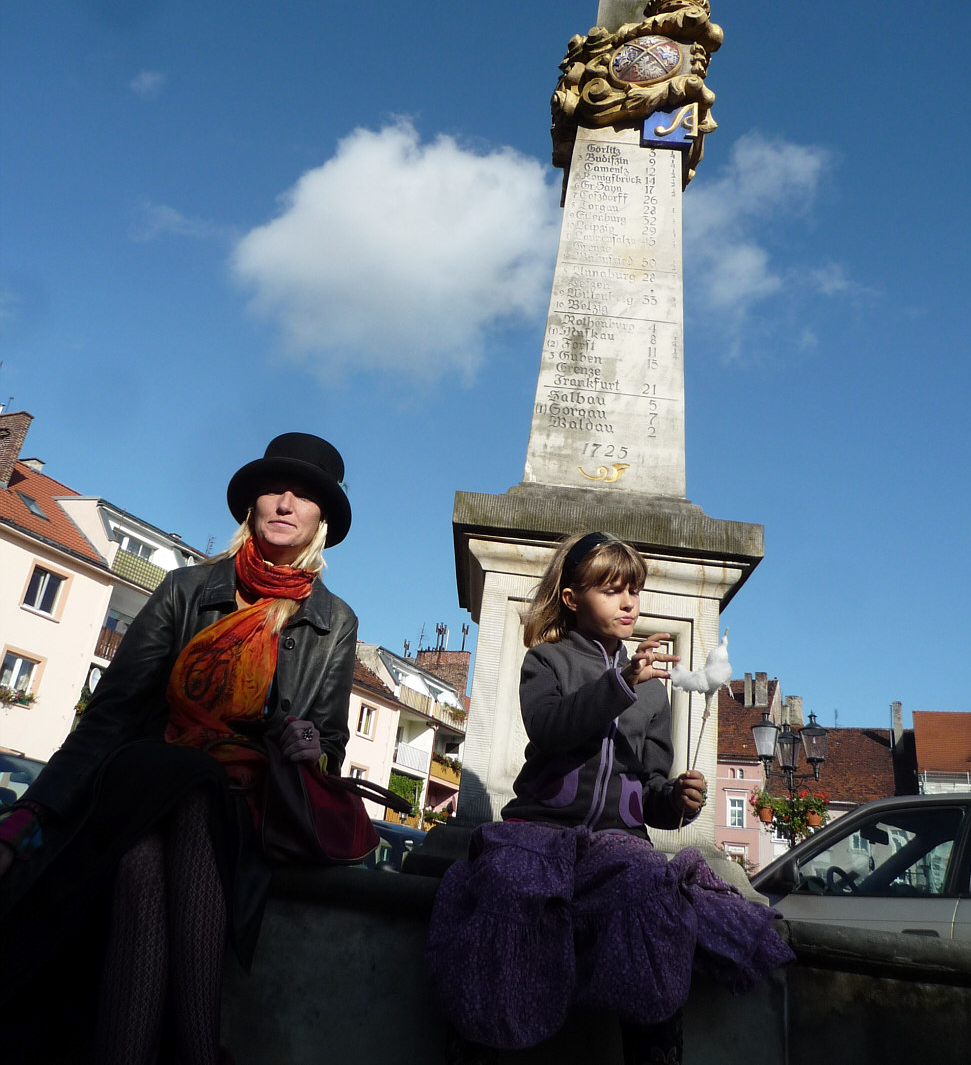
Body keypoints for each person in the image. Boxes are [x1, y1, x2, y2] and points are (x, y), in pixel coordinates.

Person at [0, 432, 358, 1065]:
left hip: (243, 801)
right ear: (250, 506)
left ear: (318, 522)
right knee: (176, 774)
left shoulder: (334, 621)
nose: (284, 502)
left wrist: (311, 744)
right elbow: (111, 715)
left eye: (303, 497)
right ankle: (198, 1050)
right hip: (141, 780)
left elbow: (329, 742)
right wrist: (35, 812)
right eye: (274, 489)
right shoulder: (185, 589)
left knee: (148, 856)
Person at [427, 532, 793, 1065]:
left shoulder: (653, 688)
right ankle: (483, 1044)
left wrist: (678, 802)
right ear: (573, 599)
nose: (628, 603)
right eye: (611, 590)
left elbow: (647, 787)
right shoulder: (546, 661)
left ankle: (654, 1053)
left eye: (635, 591)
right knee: (509, 889)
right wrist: (620, 682)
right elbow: (551, 729)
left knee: (651, 894)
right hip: (538, 830)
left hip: (616, 842)